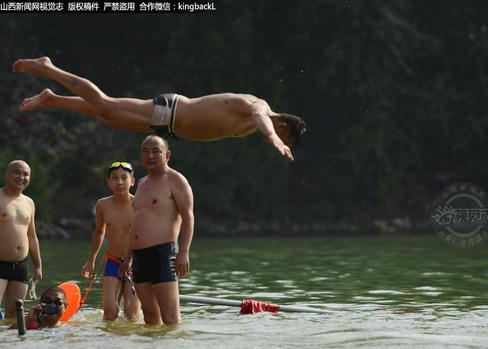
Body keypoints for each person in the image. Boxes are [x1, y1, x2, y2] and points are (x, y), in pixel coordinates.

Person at [13, 57, 306, 161]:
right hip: (173, 111)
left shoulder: (257, 123)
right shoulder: (260, 109)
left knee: (107, 116)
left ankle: (52, 99)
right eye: (286, 139)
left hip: (170, 126)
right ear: (283, 127)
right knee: (105, 103)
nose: (281, 143)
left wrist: (274, 139)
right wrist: (276, 142)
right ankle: (49, 69)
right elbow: (261, 119)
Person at [121, 135, 194, 325]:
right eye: (145, 151)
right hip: (139, 255)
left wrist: (184, 252)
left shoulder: (175, 180)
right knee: (150, 316)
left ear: (167, 155)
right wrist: (128, 258)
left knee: (170, 317)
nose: (150, 155)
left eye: (156, 151)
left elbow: (188, 216)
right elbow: (137, 222)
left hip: (162, 253)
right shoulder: (142, 183)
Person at [80, 161, 141, 321]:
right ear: (108, 182)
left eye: (124, 178)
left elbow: (141, 235)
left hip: (135, 262)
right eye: (115, 178)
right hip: (113, 261)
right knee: (109, 313)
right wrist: (91, 260)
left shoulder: (139, 204)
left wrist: (131, 260)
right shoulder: (102, 205)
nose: (119, 182)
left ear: (132, 181)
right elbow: (99, 232)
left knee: (132, 315)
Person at [0, 160, 42, 318]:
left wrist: (38, 266)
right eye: (17, 172)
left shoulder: (29, 202)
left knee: (14, 314)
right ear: (6, 174)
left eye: (26, 174)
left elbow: (31, 235)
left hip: (20, 266)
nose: (21, 177)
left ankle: (13, 343)